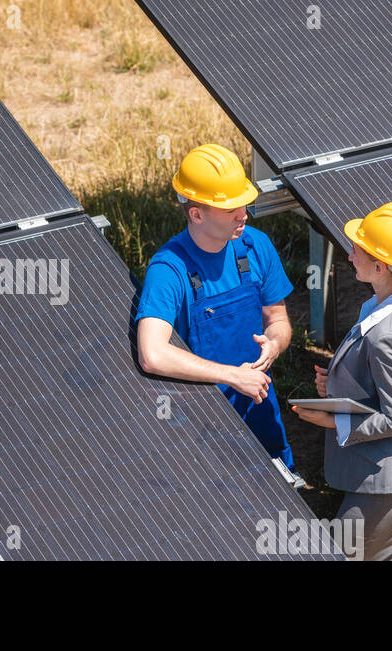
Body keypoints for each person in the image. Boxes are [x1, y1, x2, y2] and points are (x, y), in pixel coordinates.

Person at [135, 144, 299, 484]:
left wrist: (275, 343)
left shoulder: (256, 246)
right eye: (230, 209)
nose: (244, 214)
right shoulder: (169, 270)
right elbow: (152, 354)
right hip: (198, 424)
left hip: (258, 405)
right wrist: (232, 376)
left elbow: (278, 319)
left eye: (243, 203)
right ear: (196, 214)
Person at [292, 201, 392, 561]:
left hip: (383, 485)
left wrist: (333, 419)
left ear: (380, 265)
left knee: (333, 553)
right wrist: (338, 386)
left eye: (359, 248)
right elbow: (384, 382)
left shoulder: (386, 333)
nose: (350, 253)